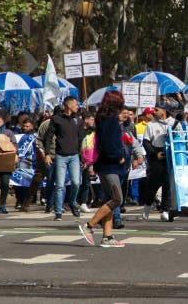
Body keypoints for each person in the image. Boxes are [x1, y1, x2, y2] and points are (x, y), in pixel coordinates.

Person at [80, 90, 126, 247]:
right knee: (117, 199)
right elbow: (108, 143)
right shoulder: (110, 120)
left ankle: (107, 236)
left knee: (108, 200)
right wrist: (118, 156)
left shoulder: (102, 118)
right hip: (109, 164)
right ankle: (89, 225)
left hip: (105, 163)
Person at [43, 96, 83, 221]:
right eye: (75, 104)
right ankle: (58, 212)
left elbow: (81, 138)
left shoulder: (77, 120)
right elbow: (48, 137)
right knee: (60, 185)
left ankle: (72, 202)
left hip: (75, 156)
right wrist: (47, 154)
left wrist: (83, 157)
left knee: (76, 182)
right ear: (68, 105)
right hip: (60, 156)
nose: (77, 106)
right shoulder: (56, 119)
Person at [142, 101, 175, 222]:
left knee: (167, 183)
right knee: (153, 184)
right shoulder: (151, 125)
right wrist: (155, 154)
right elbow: (146, 142)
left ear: (164, 111)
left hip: (170, 155)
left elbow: (180, 137)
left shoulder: (174, 123)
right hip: (156, 155)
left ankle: (165, 210)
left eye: (156, 110)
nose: (154, 112)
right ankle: (147, 206)